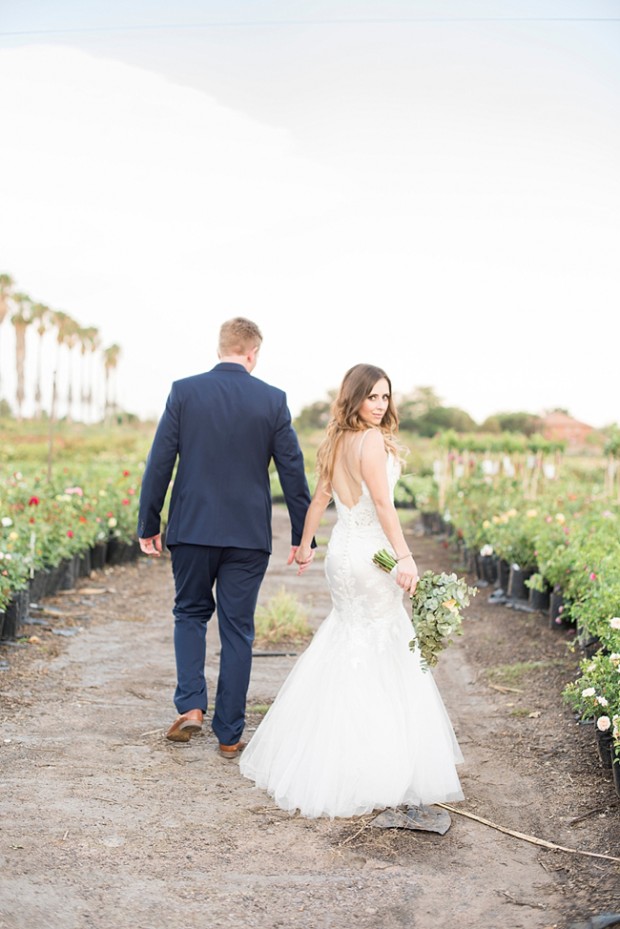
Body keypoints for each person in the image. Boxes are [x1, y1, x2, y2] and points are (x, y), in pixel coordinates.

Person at [240, 363, 464, 817]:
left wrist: (305, 547)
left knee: (348, 635)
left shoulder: (336, 439)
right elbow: (382, 503)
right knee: (382, 640)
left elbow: (320, 497)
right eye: (372, 397)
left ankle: (321, 754)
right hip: (370, 557)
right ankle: (372, 761)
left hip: (342, 553)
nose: (380, 406)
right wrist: (405, 556)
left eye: (386, 397)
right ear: (355, 398)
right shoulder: (371, 441)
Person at [137, 317, 313, 756]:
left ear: (221, 349)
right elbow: (293, 470)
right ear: (253, 352)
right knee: (238, 630)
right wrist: (301, 535)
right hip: (247, 535)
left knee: (190, 613)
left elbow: (160, 462)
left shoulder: (185, 391)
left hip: (193, 529)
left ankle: (192, 705)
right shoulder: (273, 400)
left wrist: (149, 523)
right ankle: (230, 734)